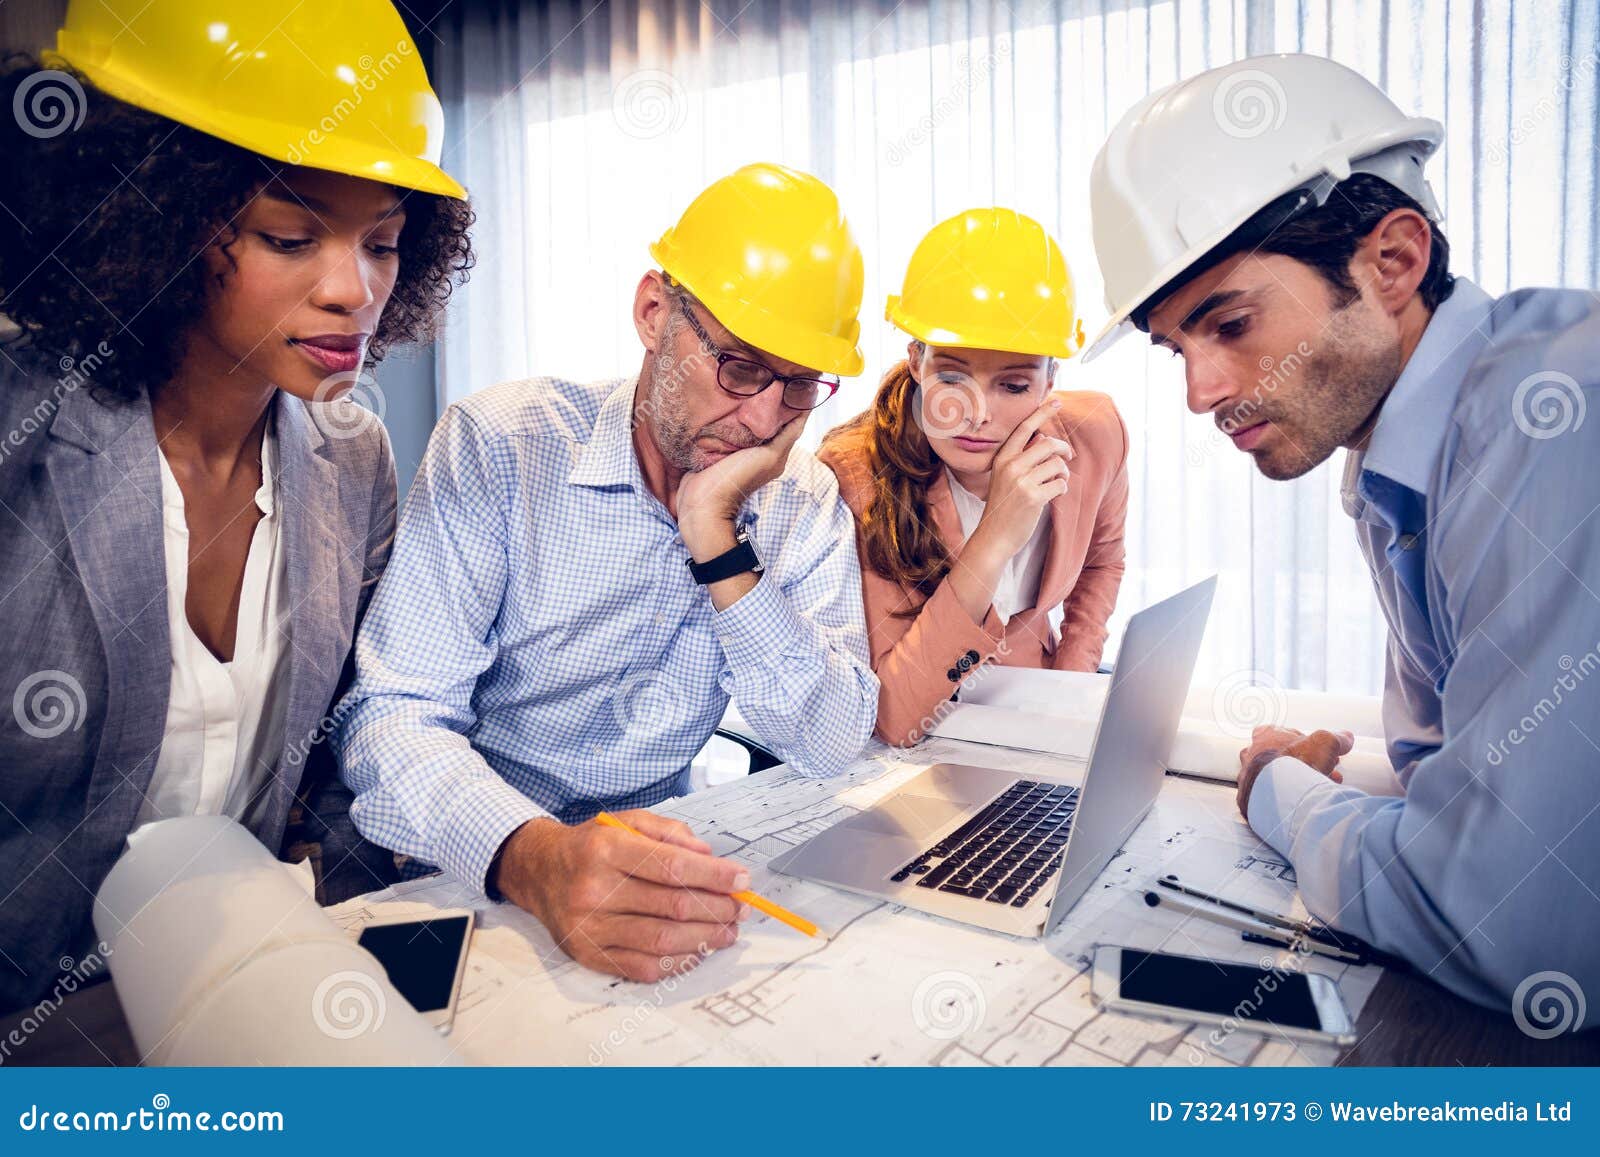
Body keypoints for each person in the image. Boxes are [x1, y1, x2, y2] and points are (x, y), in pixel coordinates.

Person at [1085, 52, 1599, 1017]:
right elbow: (1431, 753)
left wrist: (1279, 789)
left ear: (1392, 262)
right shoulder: (1392, 463)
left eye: (1229, 323)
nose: (1201, 394)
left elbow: (1508, 919)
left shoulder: (1556, 418)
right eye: (1177, 350)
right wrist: (1347, 785)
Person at [0, 0, 473, 1017]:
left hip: (247, 995)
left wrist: (345, 913)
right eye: (291, 235)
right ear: (146, 214)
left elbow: (353, 730)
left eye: (384, 244)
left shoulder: (354, 457)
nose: (355, 289)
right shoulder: (21, 435)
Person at [335, 163, 877, 985]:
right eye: (738, 367)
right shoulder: (500, 446)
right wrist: (537, 857)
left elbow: (834, 742)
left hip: (651, 873)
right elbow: (389, 716)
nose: (766, 419)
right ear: (655, 313)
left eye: (800, 386)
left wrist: (718, 543)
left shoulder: (798, 498)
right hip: (470, 873)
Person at [819, 209, 1128, 745]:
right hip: (923, 738)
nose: (977, 414)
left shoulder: (1095, 434)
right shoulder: (854, 474)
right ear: (916, 359)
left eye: (1013, 386)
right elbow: (893, 715)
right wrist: (994, 539)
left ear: (1051, 378)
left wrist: (1070, 690)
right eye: (952, 376)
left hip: (1037, 722)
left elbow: (1103, 561)